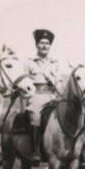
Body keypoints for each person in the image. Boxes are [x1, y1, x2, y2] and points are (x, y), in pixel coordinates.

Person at [20, 28, 65, 160]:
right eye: (41, 43)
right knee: (35, 114)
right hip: (36, 96)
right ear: (37, 45)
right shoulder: (29, 63)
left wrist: (55, 84)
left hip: (52, 95)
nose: (44, 45)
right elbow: (24, 83)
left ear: (50, 46)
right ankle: (36, 151)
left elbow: (60, 84)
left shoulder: (55, 63)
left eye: (47, 43)